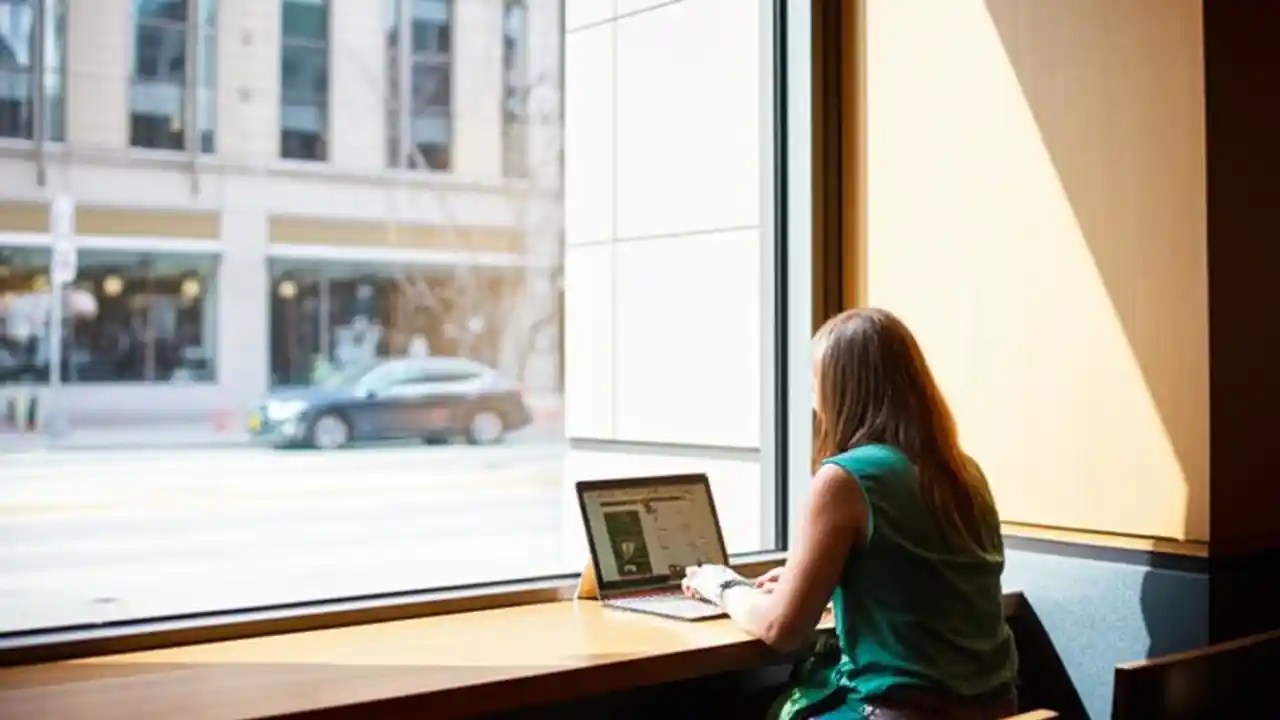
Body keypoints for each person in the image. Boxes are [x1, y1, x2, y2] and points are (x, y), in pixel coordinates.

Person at [682, 308, 1017, 719]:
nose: (814, 401)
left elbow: (781, 629)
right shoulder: (964, 472)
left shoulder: (845, 478)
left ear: (842, 390)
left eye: (815, 383)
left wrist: (722, 585)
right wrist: (805, 578)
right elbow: (917, 576)